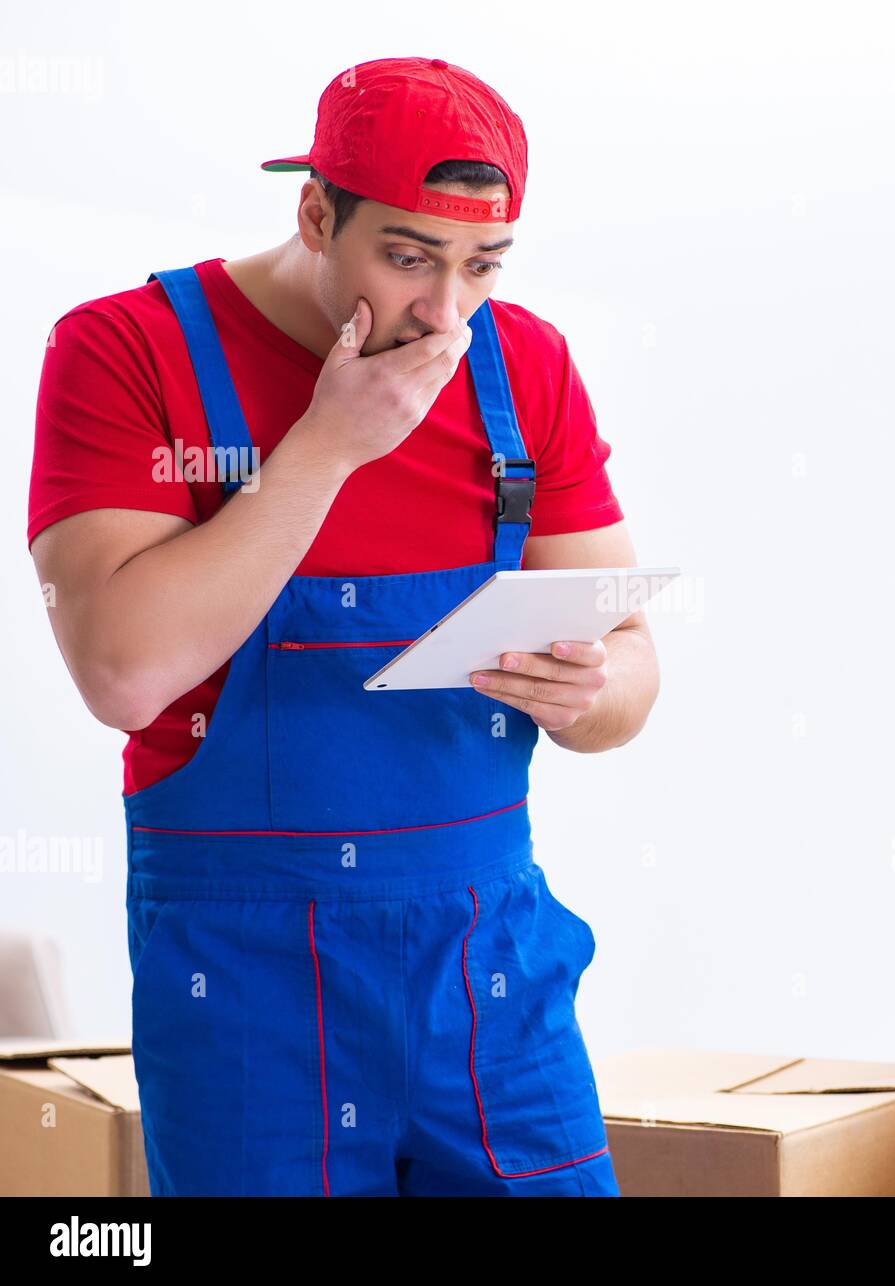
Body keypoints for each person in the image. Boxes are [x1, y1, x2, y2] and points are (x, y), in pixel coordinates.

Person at [27, 55, 661, 1197]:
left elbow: (630, 668)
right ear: (316, 212)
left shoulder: (526, 366)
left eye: (482, 265)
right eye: (409, 257)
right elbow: (122, 672)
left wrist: (593, 692)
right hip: (246, 981)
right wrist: (325, 447)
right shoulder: (129, 350)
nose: (445, 309)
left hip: (492, 968)